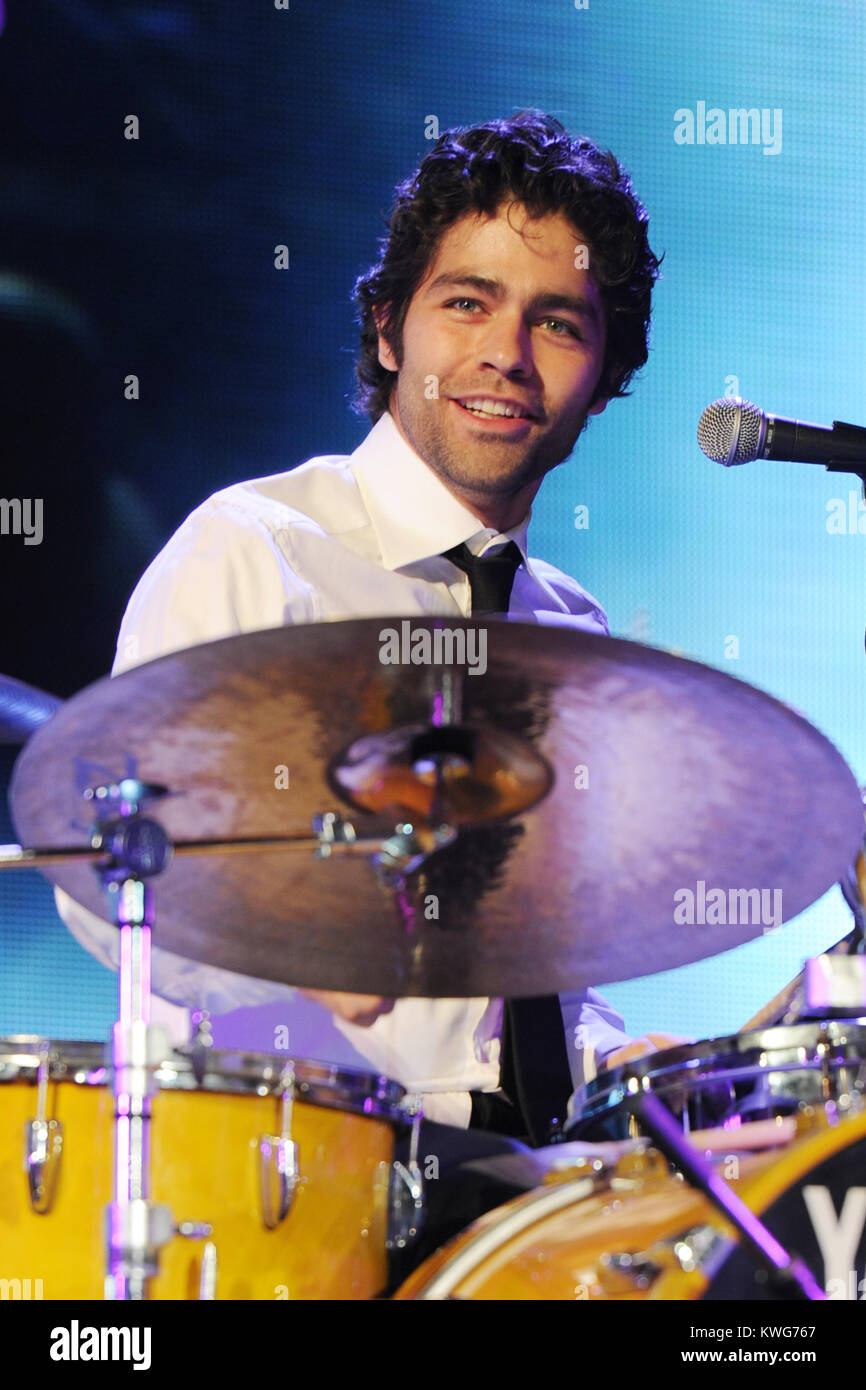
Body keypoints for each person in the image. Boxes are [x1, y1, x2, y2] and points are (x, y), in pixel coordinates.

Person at [56, 110, 679, 1150]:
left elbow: (527, 999)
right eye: (466, 303)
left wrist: (608, 1055)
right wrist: (283, 935)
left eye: (558, 323)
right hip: (311, 1166)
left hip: (529, 1184)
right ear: (388, 329)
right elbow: (100, 868)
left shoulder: (572, 627)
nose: (506, 356)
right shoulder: (255, 550)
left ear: (604, 382)